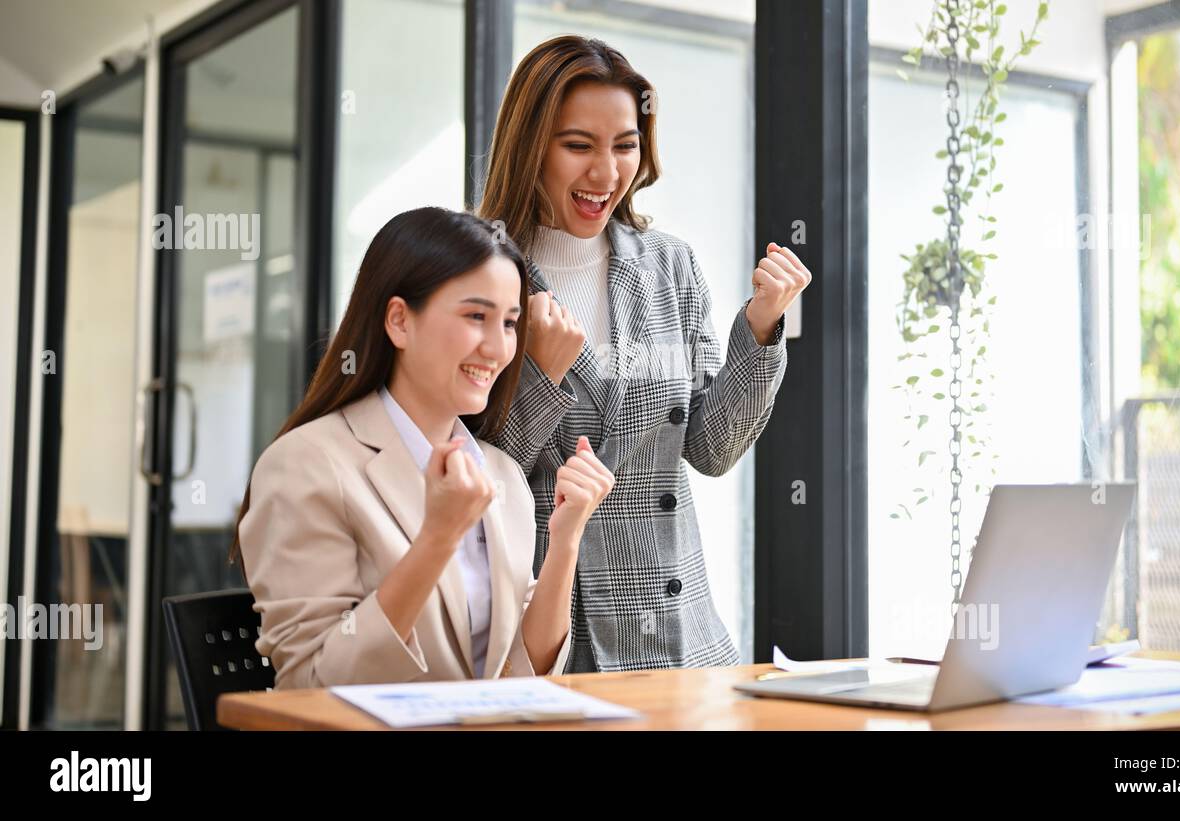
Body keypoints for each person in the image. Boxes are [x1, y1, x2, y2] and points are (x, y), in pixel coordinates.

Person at [478, 36, 811, 671]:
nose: (605, 173)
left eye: (624, 146)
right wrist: (543, 375)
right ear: (529, 147)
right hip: (549, 634)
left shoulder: (668, 265)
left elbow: (711, 448)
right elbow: (478, 473)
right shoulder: (481, 272)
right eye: (578, 146)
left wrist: (762, 326)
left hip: (679, 643)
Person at [230, 207, 614, 688]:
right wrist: (438, 538)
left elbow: (520, 673)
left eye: (511, 323)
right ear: (399, 321)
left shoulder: (501, 474)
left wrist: (565, 541)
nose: (498, 349)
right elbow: (315, 685)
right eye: (476, 316)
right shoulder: (304, 465)